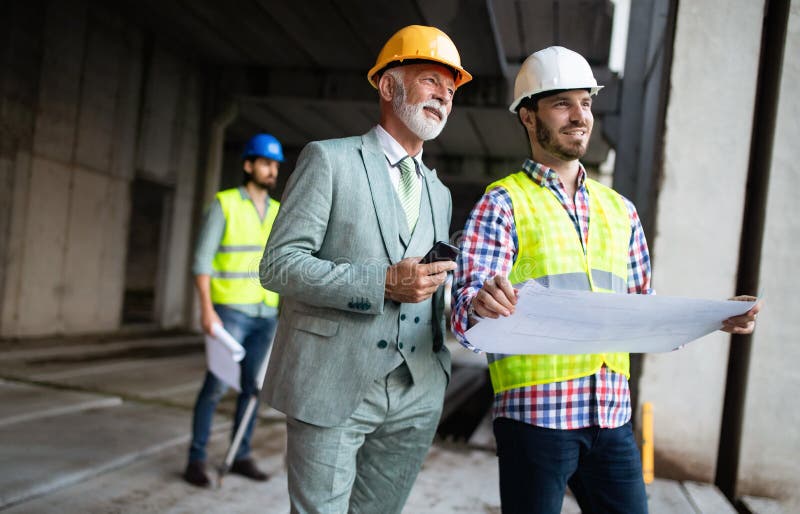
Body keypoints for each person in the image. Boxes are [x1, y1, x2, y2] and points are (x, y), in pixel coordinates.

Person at [451, 46, 762, 514]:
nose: (580, 116)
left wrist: (715, 317)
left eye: (587, 103)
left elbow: (643, 312)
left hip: (611, 417)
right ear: (528, 117)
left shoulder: (621, 211)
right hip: (536, 420)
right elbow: (463, 314)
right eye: (562, 104)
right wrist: (479, 305)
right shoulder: (503, 203)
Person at [259, 25, 471, 514]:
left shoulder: (439, 192)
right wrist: (381, 282)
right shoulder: (328, 160)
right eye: (430, 81)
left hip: (418, 389)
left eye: (451, 88)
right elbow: (278, 267)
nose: (444, 96)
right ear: (388, 85)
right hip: (334, 382)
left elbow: (429, 284)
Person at [183, 133, 284, 488]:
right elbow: (201, 262)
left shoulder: (277, 211)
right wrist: (207, 311)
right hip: (230, 312)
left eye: (275, 164)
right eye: (266, 162)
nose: (273, 169)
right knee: (215, 386)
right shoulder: (225, 204)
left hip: (265, 313)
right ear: (248, 165)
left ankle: (240, 455)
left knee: (252, 389)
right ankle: (196, 459)